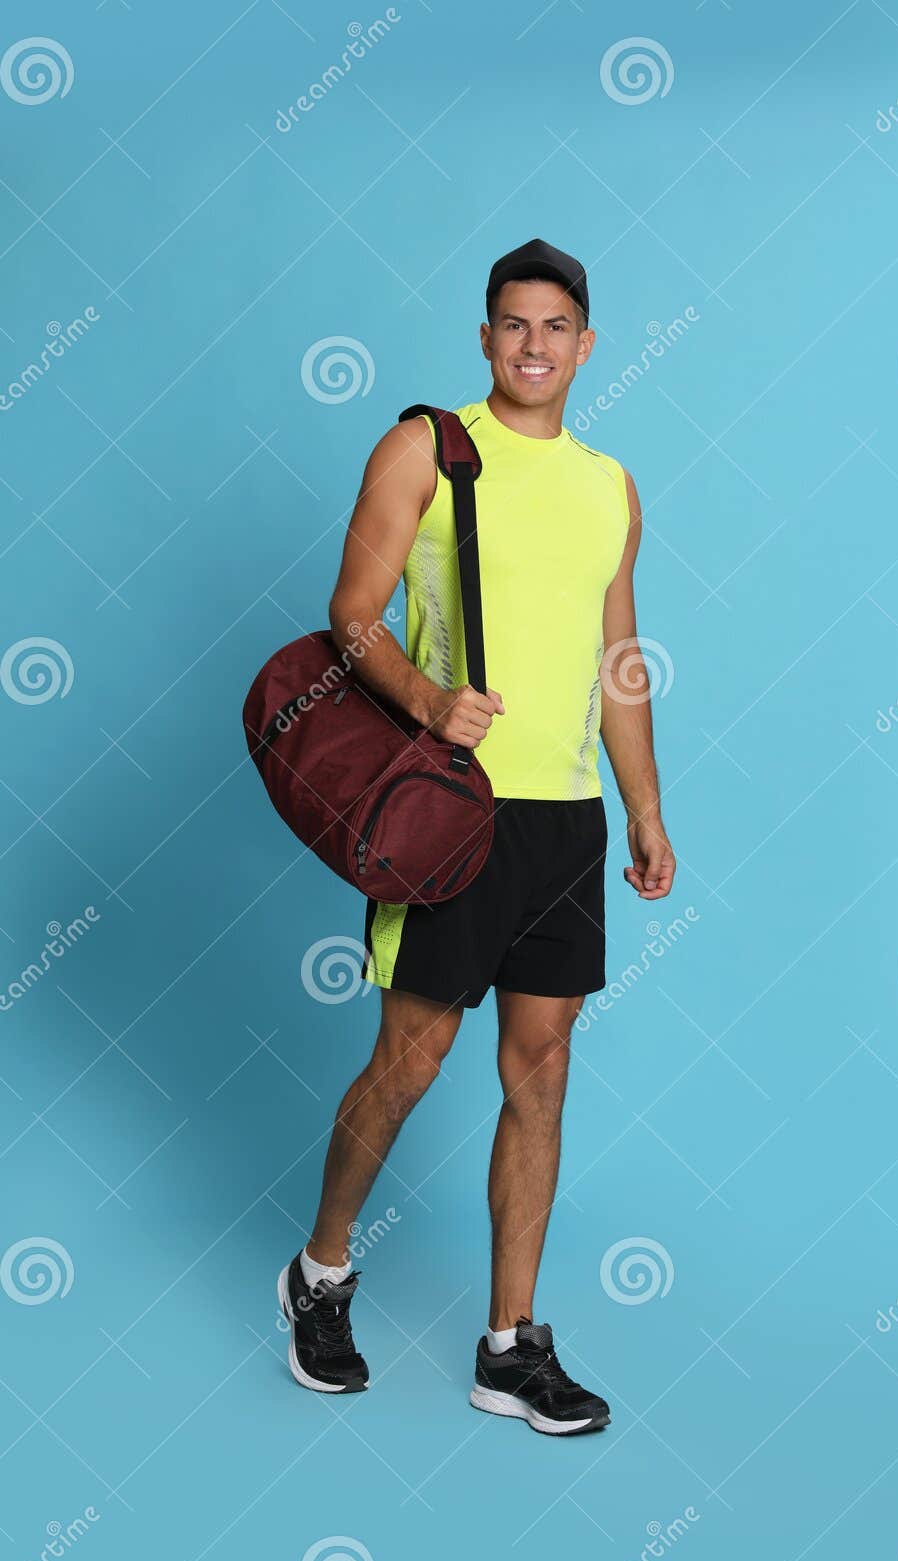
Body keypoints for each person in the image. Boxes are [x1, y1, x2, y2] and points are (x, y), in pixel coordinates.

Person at [278, 238, 675, 1436]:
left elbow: (618, 657)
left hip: (565, 822)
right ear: (485, 336)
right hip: (446, 809)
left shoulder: (611, 486)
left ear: (586, 346)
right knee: (411, 1060)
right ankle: (321, 1271)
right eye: (513, 323)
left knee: (541, 1073)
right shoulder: (425, 448)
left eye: (555, 327)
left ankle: (510, 1346)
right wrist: (426, 698)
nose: (533, 345)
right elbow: (352, 616)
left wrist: (644, 808)